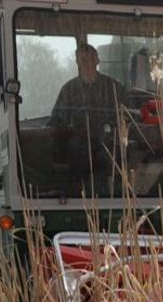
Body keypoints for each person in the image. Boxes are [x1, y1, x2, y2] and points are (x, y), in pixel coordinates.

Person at [51, 43, 128, 192]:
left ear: (98, 61)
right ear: (77, 63)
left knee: (112, 152)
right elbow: (57, 120)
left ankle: (114, 192)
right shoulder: (68, 90)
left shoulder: (114, 88)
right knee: (74, 149)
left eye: (91, 59)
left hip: (109, 142)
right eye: (83, 60)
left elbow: (128, 115)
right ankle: (77, 194)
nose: (87, 64)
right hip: (78, 145)